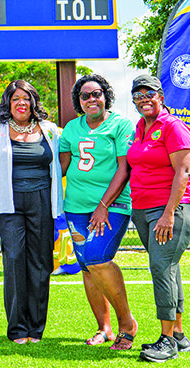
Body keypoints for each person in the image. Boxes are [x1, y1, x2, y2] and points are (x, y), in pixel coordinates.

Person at [0, 80, 63, 344]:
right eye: (15, 99)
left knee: (40, 263)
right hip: (9, 203)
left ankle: (36, 328)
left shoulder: (50, 130)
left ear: (33, 102)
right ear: (8, 103)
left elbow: (65, 159)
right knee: (14, 260)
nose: (21, 103)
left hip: (42, 200)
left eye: (26, 98)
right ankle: (17, 329)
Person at [59, 74, 138, 350]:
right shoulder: (71, 128)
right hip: (76, 208)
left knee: (97, 257)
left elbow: (124, 168)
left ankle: (127, 323)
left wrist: (103, 206)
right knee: (87, 268)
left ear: (106, 96)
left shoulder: (121, 125)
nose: (91, 99)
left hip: (112, 205)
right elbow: (61, 168)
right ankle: (104, 328)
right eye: (85, 96)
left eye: (97, 94)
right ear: (78, 101)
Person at [126, 74, 190, 363]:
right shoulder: (140, 127)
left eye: (149, 94)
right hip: (143, 209)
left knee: (161, 266)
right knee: (169, 267)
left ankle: (166, 340)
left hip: (172, 209)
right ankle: (178, 334)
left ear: (161, 97)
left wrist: (169, 213)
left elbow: (183, 172)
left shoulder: (173, 126)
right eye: (138, 95)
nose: (144, 99)